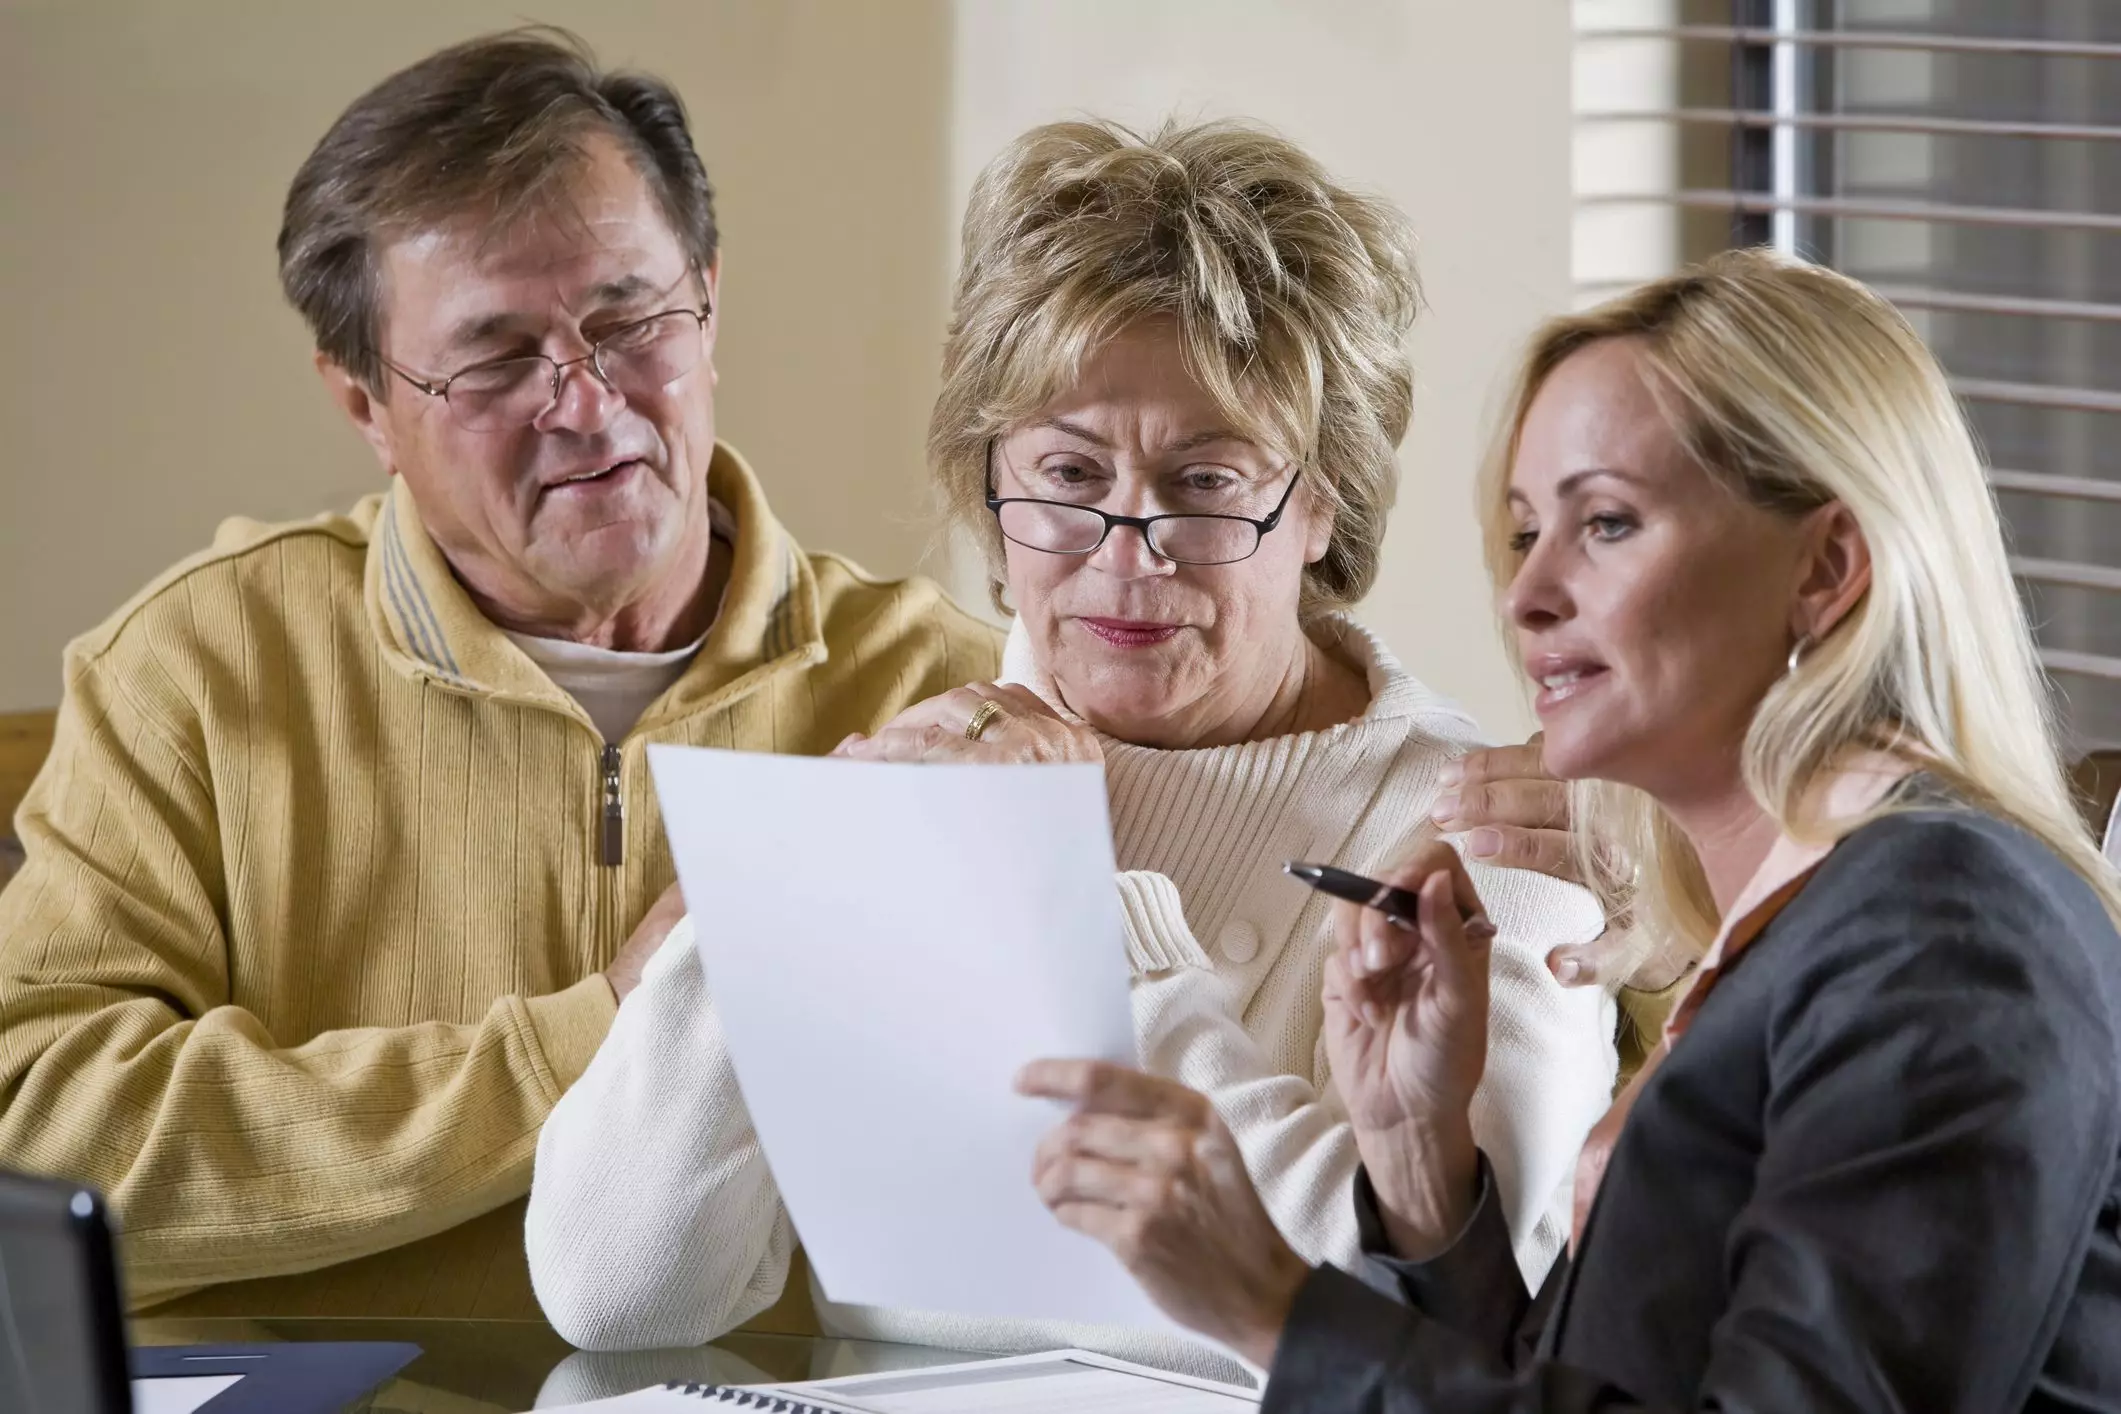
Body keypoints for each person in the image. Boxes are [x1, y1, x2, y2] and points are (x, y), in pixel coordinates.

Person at [526, 117, 1618, 1375]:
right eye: (1066, 471)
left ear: (1321, 503)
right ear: (990, 479)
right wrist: (776, 891)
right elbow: (618, 1294)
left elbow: (1418, 1343)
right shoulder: (916, 770)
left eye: (1206, 483)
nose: (1123, 549)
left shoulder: (1487, 831)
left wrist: (1072, 907)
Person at [0, 29, 999, 1319]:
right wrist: (595, 1036)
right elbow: (37, 1126)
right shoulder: (198, 673)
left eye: (630, 320)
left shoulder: (943, 693)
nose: (586, 403)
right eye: (495, 359)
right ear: (365, 404)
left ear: (709, 302)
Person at [1018, 249, 2121, 1407]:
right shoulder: (1810, 921)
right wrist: (1420, 1168)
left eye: (1605, 523)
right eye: (1524, 529)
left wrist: (1272, 1302)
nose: (1526, 594)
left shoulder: (1946, 937)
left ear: (1828, 566)